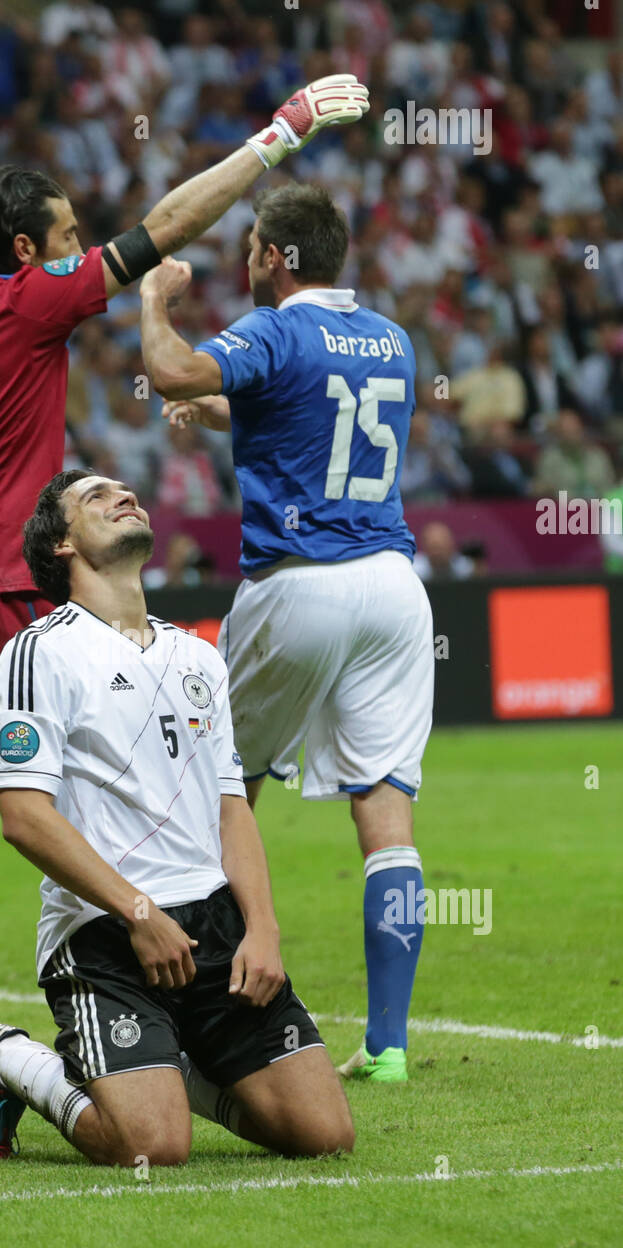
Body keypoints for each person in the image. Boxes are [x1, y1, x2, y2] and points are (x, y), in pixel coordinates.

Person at [0, 75, 369, 1100]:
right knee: (77, 796)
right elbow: (165, 224)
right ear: (20, 251)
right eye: (61, 234)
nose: (73, 245)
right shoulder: (28, 299)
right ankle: (153, 998)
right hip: (0, 591)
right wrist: (279, 135)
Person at [0, 471, 354, 1166]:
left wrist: (262, 931)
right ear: (60, 547)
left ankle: (166, 1065)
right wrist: (138, 914)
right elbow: (21, 816)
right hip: (105, 935)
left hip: (215, 930)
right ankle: (11, 1059)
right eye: (94, 497)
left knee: (323, 1136)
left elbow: (231, 807)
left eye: (125, 490)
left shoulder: (198, 656)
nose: (123, 495)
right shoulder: (39, 652)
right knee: (152, 1149)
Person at [140, 182, 433, 1084]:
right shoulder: (389, 338)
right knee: (386, 816)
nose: (245, 258)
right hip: (393, 586)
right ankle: (386, 1044)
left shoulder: (275, 330)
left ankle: (200, 1016)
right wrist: (221, 410)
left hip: (299, 585)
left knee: (219, 784)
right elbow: (304, 411)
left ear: (275, 257)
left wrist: (153, 301)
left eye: (253, 246)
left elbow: (171, 369)